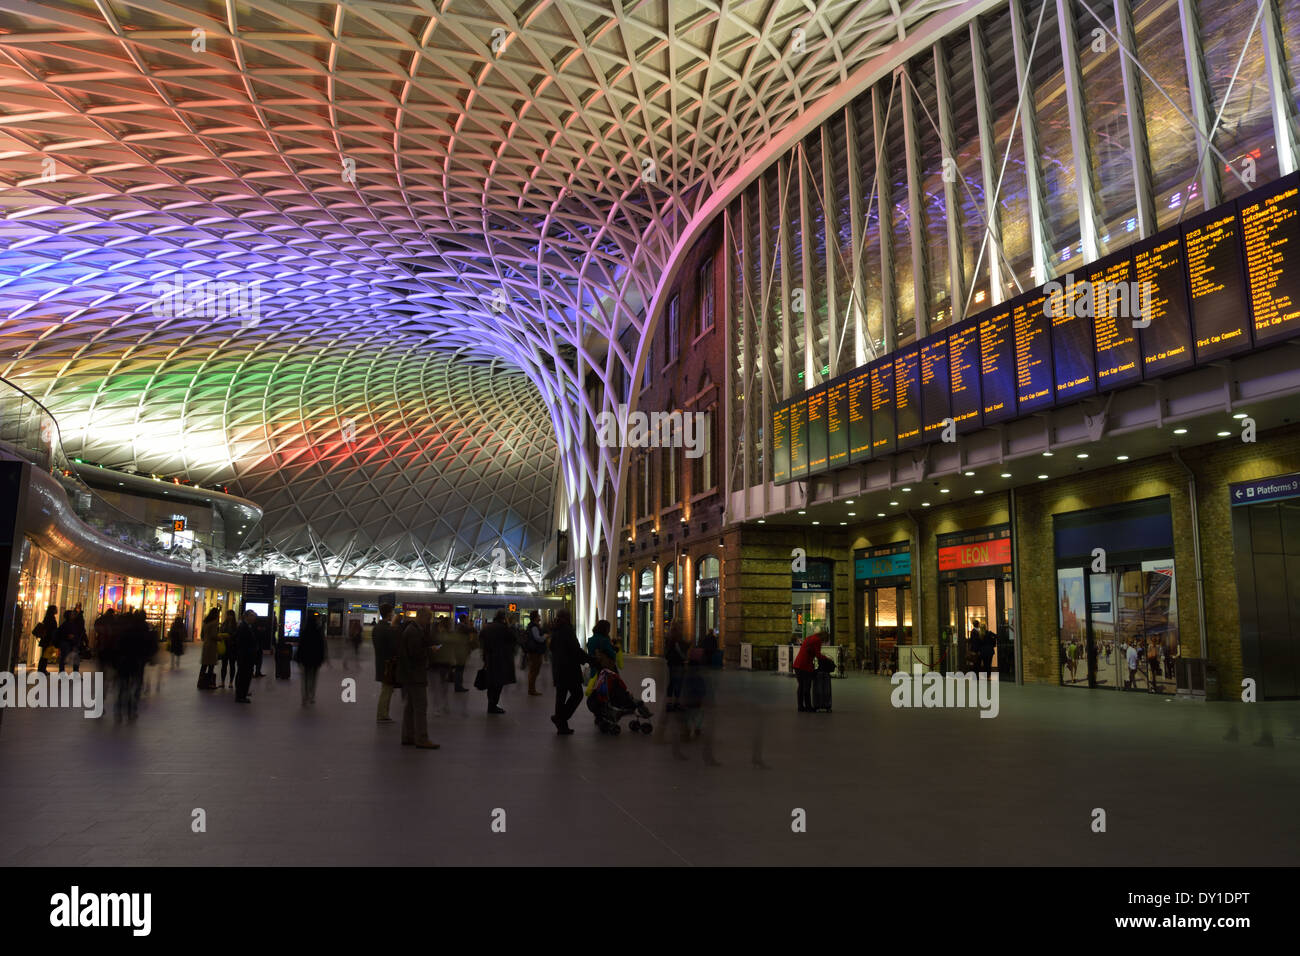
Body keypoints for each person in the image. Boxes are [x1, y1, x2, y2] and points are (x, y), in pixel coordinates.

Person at [397, 608, 437, 748]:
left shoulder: (412, 629)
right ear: (421, 617)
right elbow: (415, 654)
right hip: (416, 675)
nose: (429, 622)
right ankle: (422, 738)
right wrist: (429, 650)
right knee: (420, 707)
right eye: (428, 618)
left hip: (409, 675)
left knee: (410, 707)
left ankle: (408, 736)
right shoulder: (414, 632)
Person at [548, 610, 589, 735]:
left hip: (559, 669)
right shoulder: (567, 630)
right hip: (569, 670)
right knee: (577, 694)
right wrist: (589, 659)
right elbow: (575, 650)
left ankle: (561, 724)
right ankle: (561, 718)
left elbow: (551, 648)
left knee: (560, 697)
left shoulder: (556, 630)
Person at [478, 610, 516, 714]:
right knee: (498, 683)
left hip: (489, 657)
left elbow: (481, 638)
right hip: (502, 659)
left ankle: (490, 704)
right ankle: (493, 705)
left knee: (491, 682)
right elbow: (514, 639)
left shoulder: (488, 627)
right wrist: (508, 625)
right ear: (504, 618)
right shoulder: (504, 628)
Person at [792, 630, 832, 713]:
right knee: (807, 687)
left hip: (797, 664)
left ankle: (800, 706)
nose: (824, 642)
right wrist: (827, 659)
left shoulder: (809, 638)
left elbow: (810, 651)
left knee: (801, 686)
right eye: (825, 640)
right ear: (824, 637)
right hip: (805, 666)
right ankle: (808, 707)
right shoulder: (817, 640)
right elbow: (818, 655)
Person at [372, 603, 399, 722]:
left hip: (381, 662)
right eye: (392, 612)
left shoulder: (377, 627)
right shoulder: (387, 629)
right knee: (387, 690)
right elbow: (393, 647)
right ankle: (382, 714)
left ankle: (384, 714)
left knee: (386, 688)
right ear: (389, 613)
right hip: (388, 664)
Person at [296, 611, 327, 705]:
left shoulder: (304, 632)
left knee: (305, 678)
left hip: (305, 659)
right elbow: (322, 647)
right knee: (313, 678)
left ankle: (304, 697)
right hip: (315, 660)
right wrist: (322, 658)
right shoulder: (318, 632)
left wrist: (298, 658)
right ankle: (311, 696)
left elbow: (300, 646)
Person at [233, 609, 259, 703]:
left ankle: (242, 694)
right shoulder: (243, 627)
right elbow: (241, 642)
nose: (254, 618)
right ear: (247, 616)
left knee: (244, 675)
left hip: (246, 656)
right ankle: (241, 695)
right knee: (244, 676)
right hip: (245, 656)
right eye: (252, 616)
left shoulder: (247, 626)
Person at [664, 621, 688, 712]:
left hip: (671, 663)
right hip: (677, 663)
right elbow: (679, 649)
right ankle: (676, 703)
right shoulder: (676, 637)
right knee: (678, 682)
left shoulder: (668, 636)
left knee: (672, 682)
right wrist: (684, 657)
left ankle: (669, 703)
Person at [447, 615, 472, 692]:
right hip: (461, 650)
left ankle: (458, 685)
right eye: (467, 619)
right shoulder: (463, 626)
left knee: (459, 668)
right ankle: (458, 686)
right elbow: (472, 631)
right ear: (464, 619)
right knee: (460, 669)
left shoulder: (458, 626)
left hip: (458, 650)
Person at [524, 612, 546, 696]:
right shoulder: (534, 627)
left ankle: (532, 689)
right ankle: (532, 689)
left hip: (534, 651)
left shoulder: (533, 626)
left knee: (533, 670)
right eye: (538, 616)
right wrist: (545, 636)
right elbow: (538, 638)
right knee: (534, 671)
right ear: (535, 617)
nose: (540, 616)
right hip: (535, 652)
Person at [198, 607, 220, 687]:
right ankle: (209, 683)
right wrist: (220, 638)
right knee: (211, 665)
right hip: (212, 646)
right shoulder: (214, 623)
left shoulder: (206, 622)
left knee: (204, 665)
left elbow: (202, 635)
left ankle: (200, 682)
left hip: (206, 645)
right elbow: (214, 635)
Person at [218, 610, 237, 688]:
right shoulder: (224, 624)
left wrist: (230, 636)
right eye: (228, 615)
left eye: (230, 615)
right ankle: (222, 682)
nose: (229, 617)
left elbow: (236, 635)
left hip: (232, 648)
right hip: (225, 647)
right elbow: (220, 632)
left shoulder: (235, 625)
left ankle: (231, 682)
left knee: (232, 665)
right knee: (224, 665)